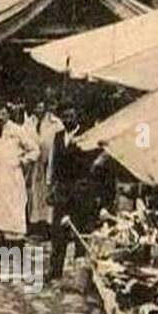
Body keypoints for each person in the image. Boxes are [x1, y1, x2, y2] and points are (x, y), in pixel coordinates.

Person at [48, 106, 113, 280]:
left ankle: (79, 274)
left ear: (77, 117)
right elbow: (55, 163)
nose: (68, 119)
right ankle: (55, 271)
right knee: (58, 232)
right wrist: (53, 185)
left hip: (80, 191)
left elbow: (96, 161)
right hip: (62, 190)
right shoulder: (58, 136)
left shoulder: (87, 136)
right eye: (64, 117)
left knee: (78, 232)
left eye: (71, 116)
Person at [0, 102, 39, 242]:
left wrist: (23, 160)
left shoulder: (17, 130)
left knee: (12, 210)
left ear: (9, 115)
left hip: (12, 174)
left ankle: (15, 246)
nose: (0, 117)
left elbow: (35, 150)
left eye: (3, 114)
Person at [27, 98, 64, 232]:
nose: (39, 109)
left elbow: (60, 142)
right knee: (35, 195)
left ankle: (49, 227)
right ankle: (37, 226)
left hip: (50, 162)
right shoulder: (28, 122)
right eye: (36, 106)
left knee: (49, 194)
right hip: (34, 164)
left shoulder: (56, 123)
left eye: (41, 105)